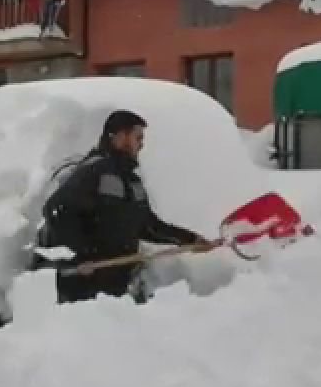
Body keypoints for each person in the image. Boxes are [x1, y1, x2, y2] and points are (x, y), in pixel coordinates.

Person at [42, 109, 214, 304]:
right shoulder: (95, 170)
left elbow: (148, 226)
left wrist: (189, 239)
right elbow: (57, 210)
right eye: (137, 137)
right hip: (86, 284)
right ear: (120, 136)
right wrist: (84, 254)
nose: (142, 144)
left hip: (115, 285)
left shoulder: (133, 181)